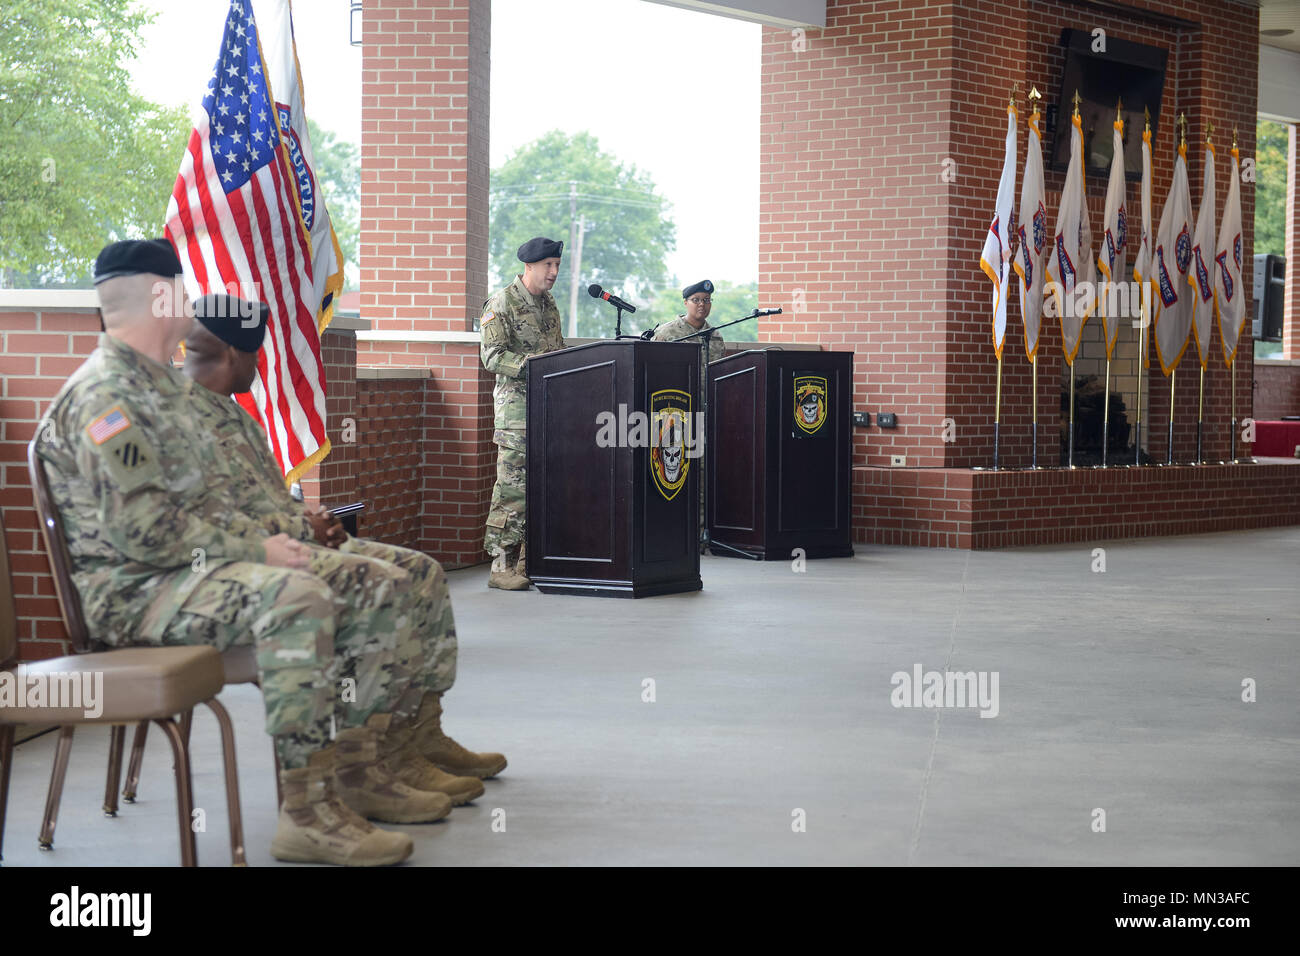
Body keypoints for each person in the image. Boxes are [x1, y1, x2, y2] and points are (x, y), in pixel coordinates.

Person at [37, 241, 434, 866]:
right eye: (182, 292)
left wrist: (275, 539)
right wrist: (264, 549)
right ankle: (306, 813)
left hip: (185, 575)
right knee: (295, 595)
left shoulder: (164, 390)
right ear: (162, 297)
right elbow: (146, 534)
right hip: (134, 594)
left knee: (360, 580)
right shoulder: (105, 399)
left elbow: (212, 504)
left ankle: (364, 770)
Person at [181, 294, 504, 804]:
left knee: (420, 569)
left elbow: (263, 498)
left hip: (280, 540)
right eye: (255, 354)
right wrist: (297, 529)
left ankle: (416, 737)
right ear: (230, 355)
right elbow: (210, 518)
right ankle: (368, 762)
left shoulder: (233, 415)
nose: (259, 364)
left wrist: (311, 519)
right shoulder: (181, 420)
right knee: (382, 584)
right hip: (237, 567)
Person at [479, 236, 567, 590]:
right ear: (529, 266)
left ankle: (528, 563)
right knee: (512, 491)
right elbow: (492, 356)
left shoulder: (549, 304)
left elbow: (558, 350)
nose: (554, 272)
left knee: (543, 489)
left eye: (557, 265)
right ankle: (500, 566)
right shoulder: (502, 303)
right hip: (516, 414)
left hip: (549, 411)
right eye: (548, 265)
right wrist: (536, 365)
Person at [652, 280, 724, 549]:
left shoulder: (715, 336)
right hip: (673, 417)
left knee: (703, 473)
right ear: (685, 303)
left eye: (706, 300)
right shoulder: (668, 333)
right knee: (673, 472)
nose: (702, 305)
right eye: (696, 300)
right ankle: (672, 532)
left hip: (705, 416)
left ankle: (700, 533)